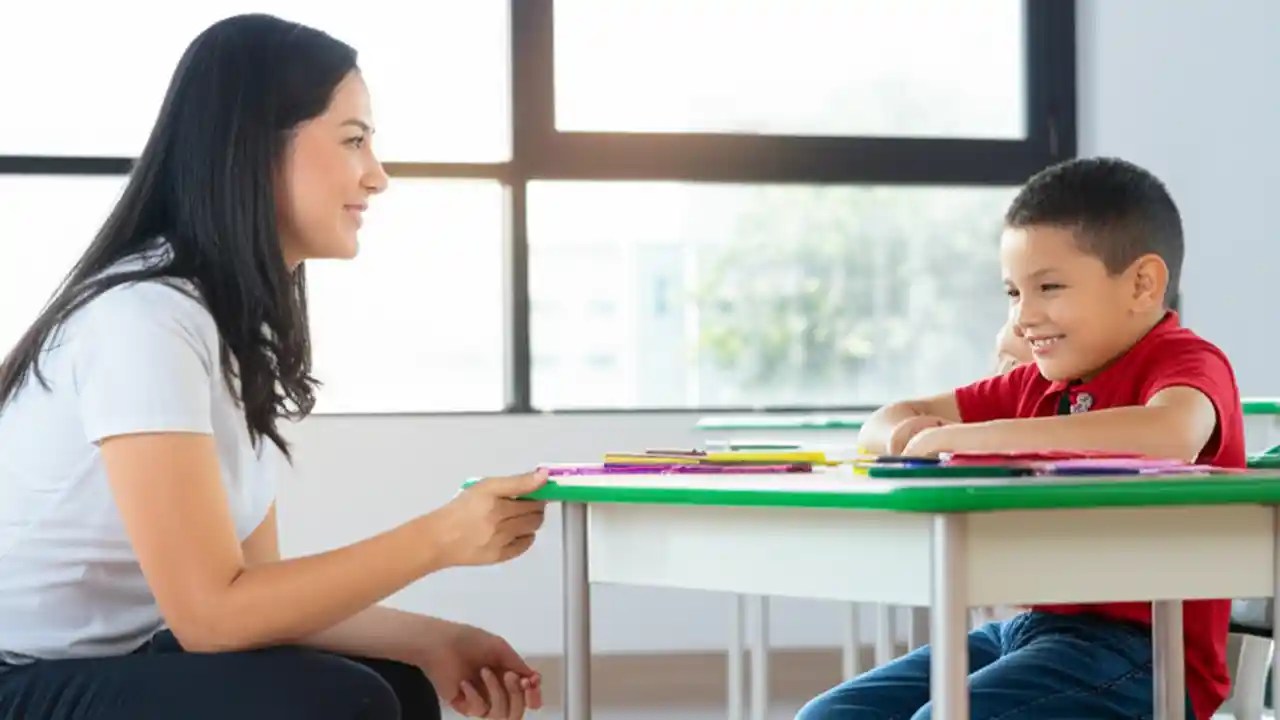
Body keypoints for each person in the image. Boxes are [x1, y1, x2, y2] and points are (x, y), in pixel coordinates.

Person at [0, 14, 546, 720]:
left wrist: (434, 639)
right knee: (341, 701)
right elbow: (210, 618)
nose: (376, 176)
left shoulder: (225, 328)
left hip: (116, 658)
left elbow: (255, 591)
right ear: (255, 149)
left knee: (400, 684)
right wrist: (440, 538)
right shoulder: (142, 320)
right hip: (20, 676)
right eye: (354, 140)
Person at [799, 157, 1245, 720]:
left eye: (1049, 288)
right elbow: (883, 422)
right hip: (1031, 630)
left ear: (1141, 284)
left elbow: (1171, 434)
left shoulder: (1184, 361)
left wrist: (969, 440)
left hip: (1147, 654)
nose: (1023, 318)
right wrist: (910, 433)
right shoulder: (1038, 382)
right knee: (830, 717)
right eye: (1013, 293)